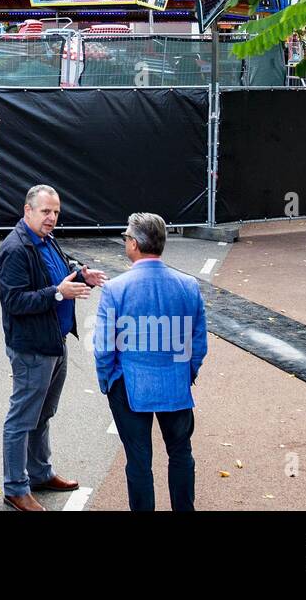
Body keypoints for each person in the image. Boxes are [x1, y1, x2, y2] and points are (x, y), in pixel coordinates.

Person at [0, 185, 108, 511]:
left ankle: (40, 474)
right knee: (22, 419)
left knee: (43, 414)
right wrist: (59, 293)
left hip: (55, 342)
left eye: (56, 212)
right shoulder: (15, 249)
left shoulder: (45, 240)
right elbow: (15, 301)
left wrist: (80, 276)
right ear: (27, 210)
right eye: (46, 211)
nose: (52, 218)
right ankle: (15, 488)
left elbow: (56, 275)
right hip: (32, 348)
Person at [94, 212, 208, 511]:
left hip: (129, 385)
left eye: (126, 238)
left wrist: (107, 380)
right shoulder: (188, 286)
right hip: (175, 384)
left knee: (139, 459)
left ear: (134, 243)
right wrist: (187, 371)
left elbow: (104, 346)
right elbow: (198, 343)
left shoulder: (115, 289)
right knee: (181, 452)